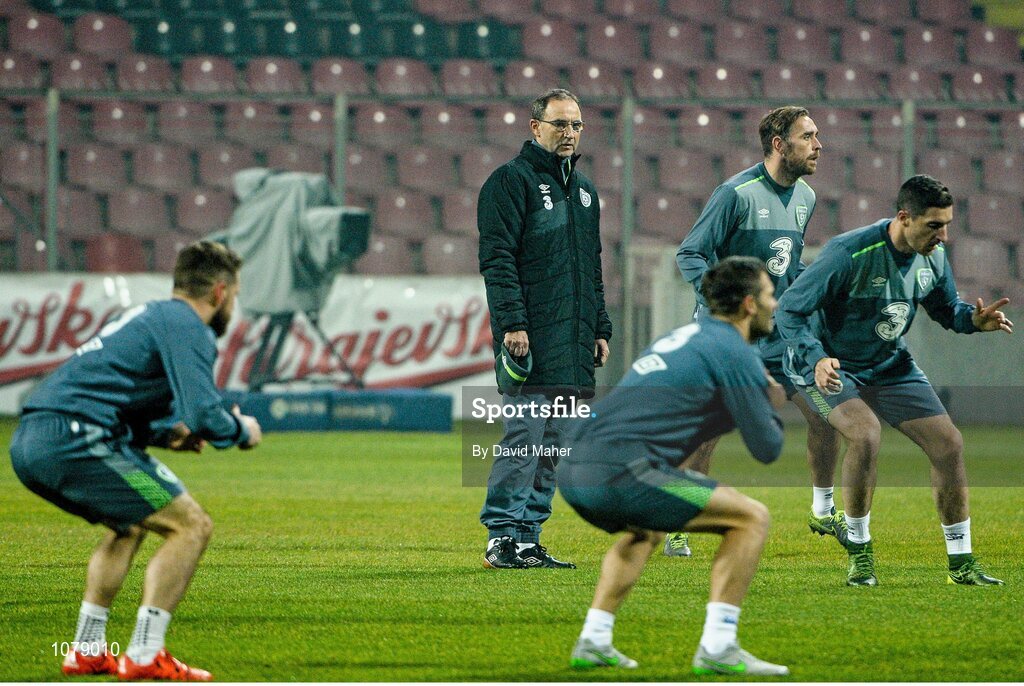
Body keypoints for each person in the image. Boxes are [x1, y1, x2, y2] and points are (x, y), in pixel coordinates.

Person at [9, 241, 263, 680]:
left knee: (128, 526)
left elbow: (117, 395)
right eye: (235, 296)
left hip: (37, 438)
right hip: (78, 439)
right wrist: (241, 431)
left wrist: (166, 435)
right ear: (220, 292)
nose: (233, 305)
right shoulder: (187, 324)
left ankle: (88, 649)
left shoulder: (147, 316)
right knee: (190, 526)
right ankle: (145, 653)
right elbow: (204, 412)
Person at [776, 174, 1013, 587]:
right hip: (831, 366)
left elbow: (946, 310)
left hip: (889, 365)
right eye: (934, 225)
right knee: (865, 434)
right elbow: (789, 311)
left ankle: (961, 563)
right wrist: (815, 358)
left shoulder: (934, 257)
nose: (943, 235)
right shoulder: (848, 252)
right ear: (904, 217)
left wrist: (972, 321)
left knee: (949, 444)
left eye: (947, 225)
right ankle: (861, 554)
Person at [559, 257, 789, 676]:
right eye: (771, 294)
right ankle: (719, 645)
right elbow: (767, 447)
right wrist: (771, 402)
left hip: (576, 466)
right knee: (751, 519)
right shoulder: (733, 351)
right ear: (750, 304)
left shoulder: (685, 336)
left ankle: (594, 639)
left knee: (645, 529)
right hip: (620, 471)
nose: (777, 303)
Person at [667, 105, 843, 559]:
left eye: (817, 135)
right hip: (730, 335)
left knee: (827, 414)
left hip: (781, 332)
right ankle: (679, 519)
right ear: (779, 144)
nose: (818, 145)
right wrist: (721, 308)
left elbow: (784, 264)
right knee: (706, 431)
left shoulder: (807, 197)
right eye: (808, 136)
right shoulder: (735, 193)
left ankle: (823, 510)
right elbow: (691, 254)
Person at [477, 87, 613, 569]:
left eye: (576, 125)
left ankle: (530, 536)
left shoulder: (585, 191)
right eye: (560, 124)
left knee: (555, 447)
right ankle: (501, 536)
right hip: (531, 337)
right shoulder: (509, 182)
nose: (570, 133)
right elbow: (497, 260)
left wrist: (600, 327)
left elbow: (591, 266)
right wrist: (513, 323)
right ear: (536, 128)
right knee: (525, 440)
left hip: (574, 341)